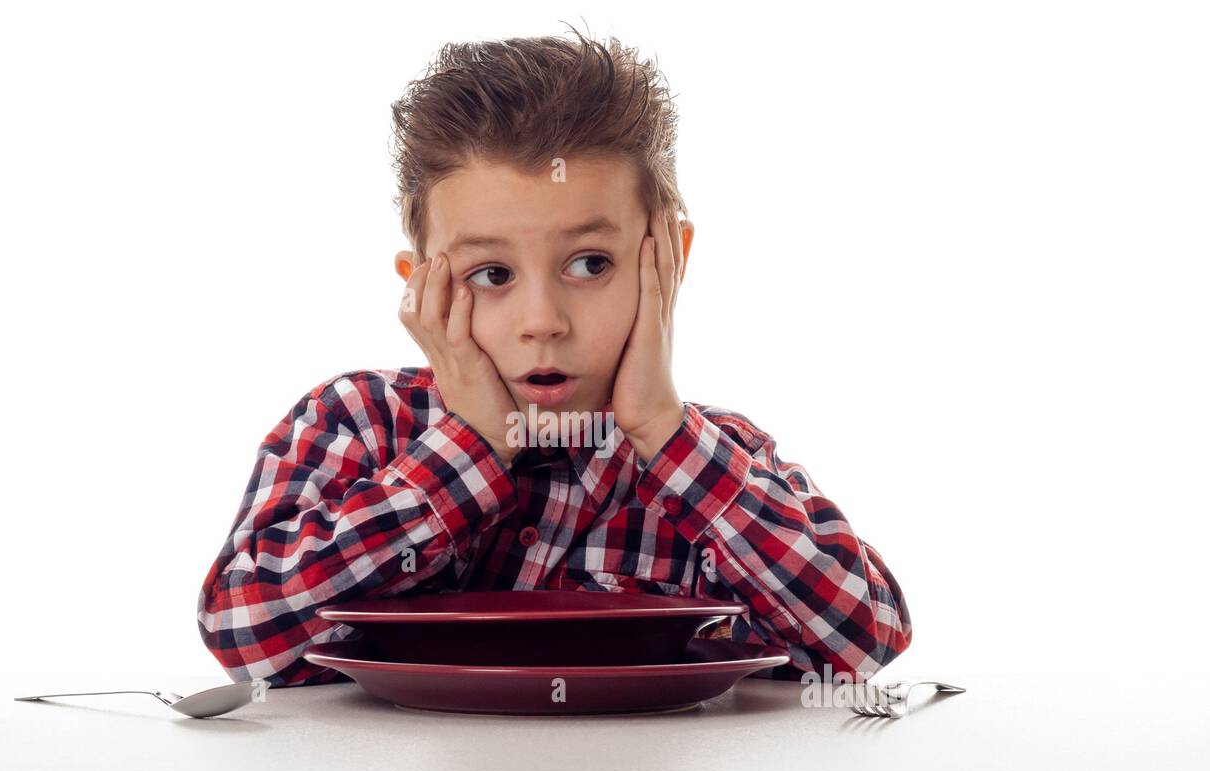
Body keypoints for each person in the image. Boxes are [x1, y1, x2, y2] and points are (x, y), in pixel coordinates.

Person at [196, 31, 912, 688]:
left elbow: (858, 646)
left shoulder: (715, 462)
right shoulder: (356, 425)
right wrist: (469, 450)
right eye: (492, 275)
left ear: (668, 261)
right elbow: (243, 635)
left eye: (590, 263)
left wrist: (662, 430)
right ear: (422, 286)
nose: (543, 323)